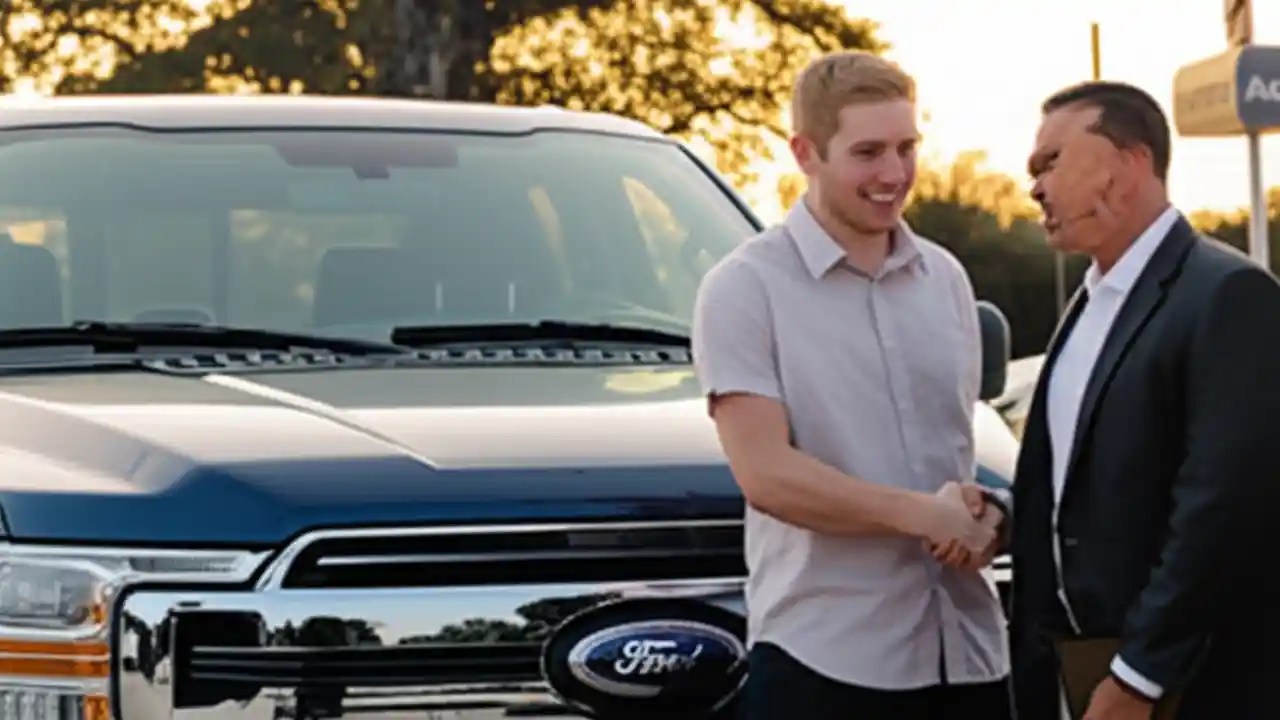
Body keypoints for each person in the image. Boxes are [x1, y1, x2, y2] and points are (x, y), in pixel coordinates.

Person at [691, 50, 1012, 720]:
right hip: (825, 668)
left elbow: (951, 454)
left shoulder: (947, 279)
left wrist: (986, 518)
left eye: (906, 147)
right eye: (868, 152)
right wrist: (924, 514)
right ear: (805, 152)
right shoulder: (744, 289)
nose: (894, 174)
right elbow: (768, 475)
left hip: (970, 654)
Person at [1009, 79, 1280, 720]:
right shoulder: (1090, 300)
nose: (1036, 187)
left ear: (1129, 163)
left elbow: (1222, 511)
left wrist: (1141, 676)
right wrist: (1005, 510)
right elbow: (1101, 480)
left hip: (1194, 687)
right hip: (1084, 677)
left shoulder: (1229, 295)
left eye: (1052, 162)